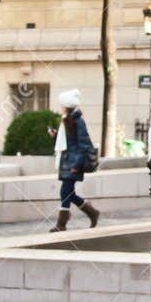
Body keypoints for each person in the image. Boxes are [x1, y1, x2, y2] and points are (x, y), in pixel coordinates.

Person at [51, 90, 99, 232]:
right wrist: (54, 136)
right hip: (67, 161)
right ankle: (91, 212)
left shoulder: (78, 121)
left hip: (72, 163)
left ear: (67, 106)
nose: (61, 107)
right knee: (67, 192)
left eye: (62, 105)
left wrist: (76, 165)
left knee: (65, 191)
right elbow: (67, 142)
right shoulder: (67, 120)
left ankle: (61, 224)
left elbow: (83, 145)